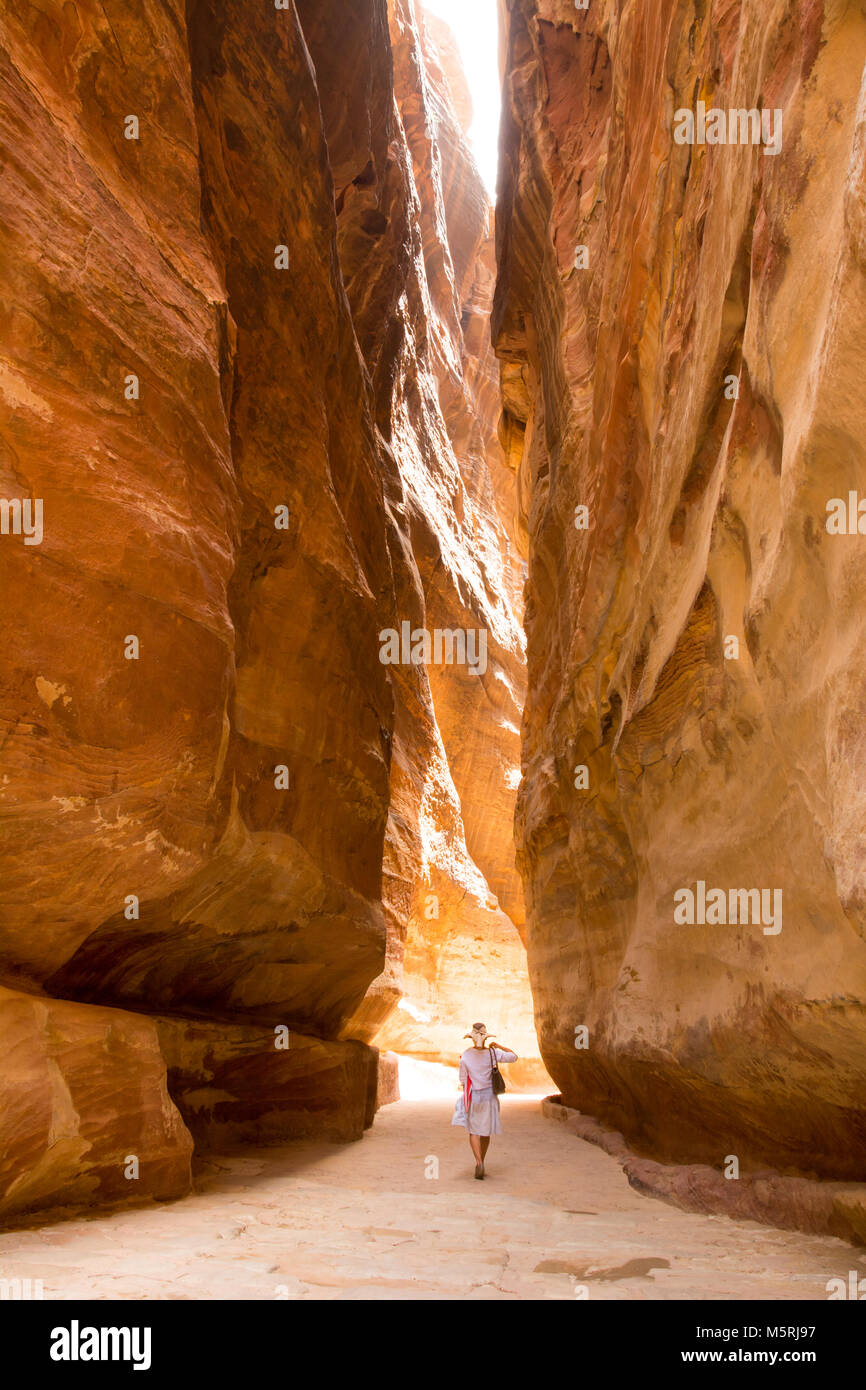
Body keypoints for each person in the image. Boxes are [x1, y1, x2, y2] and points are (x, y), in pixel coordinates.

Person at [451, 1021, 518, 1179]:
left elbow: (463, 1079)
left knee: (474, 1131)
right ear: (486, 1038)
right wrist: (499, 1046)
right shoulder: (493, 1054)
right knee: (485, 1132)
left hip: (474, 1096)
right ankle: (483, 1160)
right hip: (489, 1097)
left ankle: (479, 1162)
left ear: (472, 1038)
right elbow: (514, 1057)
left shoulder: (466, 1055)